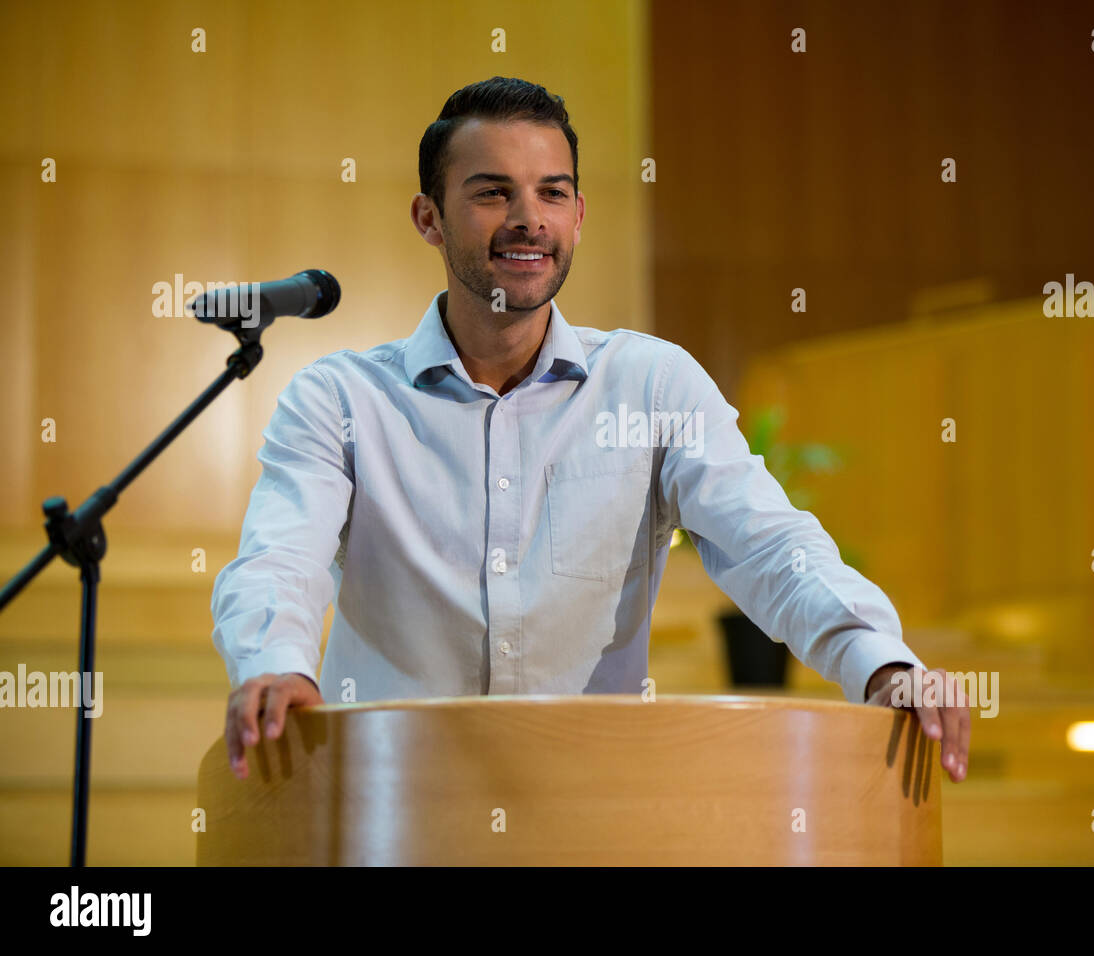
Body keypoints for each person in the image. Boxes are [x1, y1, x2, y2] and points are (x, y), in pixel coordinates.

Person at [212, 76, 970, 784]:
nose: (528, 218)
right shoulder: (339, 399)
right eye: (492, 193)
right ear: (429, 219)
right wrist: (276, 663)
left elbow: (769, 545)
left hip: (597, 811)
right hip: (390, 802)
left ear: (578, 216)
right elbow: (279, 559)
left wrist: (881, 665)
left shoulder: (653, 384)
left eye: (552, 192)